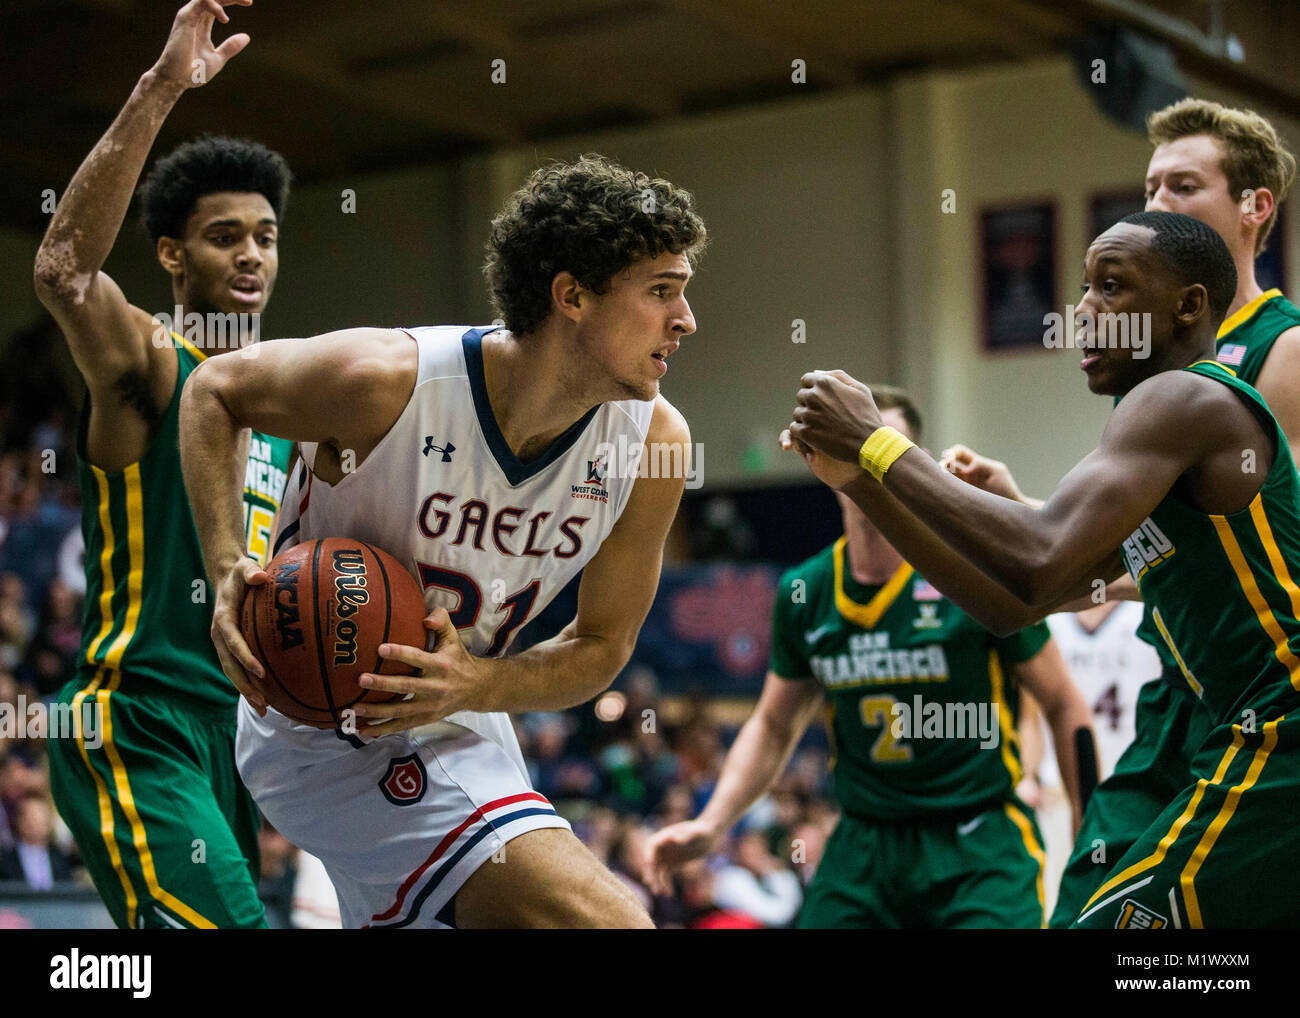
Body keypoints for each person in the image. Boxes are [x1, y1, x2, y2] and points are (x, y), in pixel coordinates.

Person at [180, 153, 706, 929]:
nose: (686, 319)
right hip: (322, 731)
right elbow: (213, 391)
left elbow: (602, 645)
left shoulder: (655, 444)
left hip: (465, 717)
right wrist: (228, 566)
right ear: (572, 297)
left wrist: (479, 686)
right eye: (662, 291)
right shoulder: (388, 379)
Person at [789, 210, 1300, 927]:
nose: (1083, 313)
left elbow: (1034, 555)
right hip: (1229, 729)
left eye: (1111, 289)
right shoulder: (1154, 425)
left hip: (1281, 726)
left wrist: (875, 442)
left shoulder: (1184, 397)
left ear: (1188, 306)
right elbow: (1016, 603)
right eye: (1083, 290)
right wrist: (862, 483)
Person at [940, 98, 1298, 926]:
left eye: (1182, 186)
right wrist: (1025, 512)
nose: (1156, 204)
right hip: (1178, 695)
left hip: (1257, 688)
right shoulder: (1146, 364)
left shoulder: (1279, 350)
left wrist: (1031, 530)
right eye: (1148, 186)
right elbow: (1148, 552)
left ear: (1254, 208)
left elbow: (1276, 555)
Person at [33, 0, 294, 928]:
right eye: (227, 235)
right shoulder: (152, 367)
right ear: (173, 254)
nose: (253, 253)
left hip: (237, 743)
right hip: (132, 718)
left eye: (265, 235)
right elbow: (62, 272)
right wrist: (161, 88)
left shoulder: (287, 410)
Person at [646, 388, 1091, 928]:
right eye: (849, 443)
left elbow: (1064, 703)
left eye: (881, 446)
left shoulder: (969, 571)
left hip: (978, 840)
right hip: (863, 842)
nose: (863, 458)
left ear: (914, 465)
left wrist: (1091, 835)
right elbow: (773, 722)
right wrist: (711, 823)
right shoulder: (804, 591)